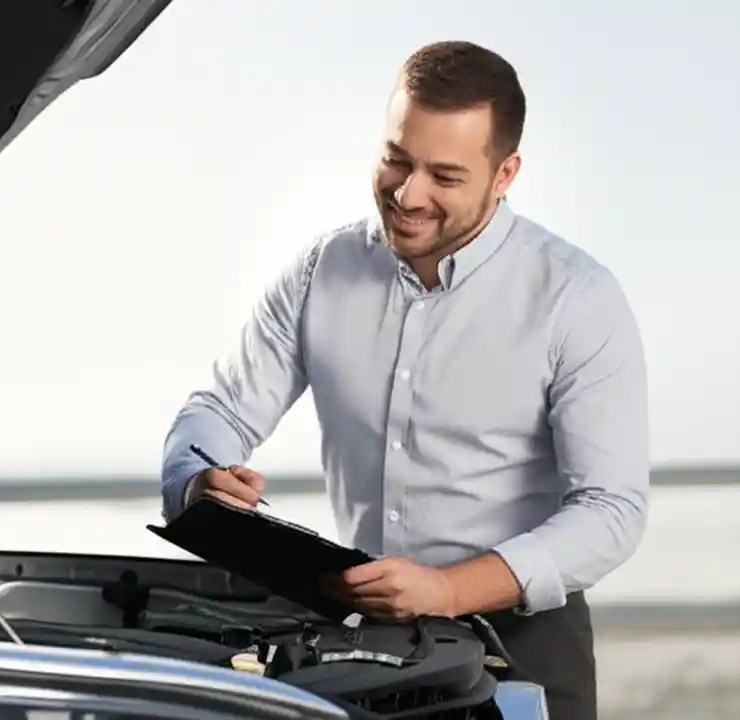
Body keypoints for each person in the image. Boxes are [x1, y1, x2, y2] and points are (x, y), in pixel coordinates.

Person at [158, 40, 648, 720]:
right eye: (397, 159)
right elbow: (220, 411)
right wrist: (196, 481)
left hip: (524, 644)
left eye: (444, 176)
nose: (408, 194)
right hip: (354, 639)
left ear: (504, 174)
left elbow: (611, 511)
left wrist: (448, 590)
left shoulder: (577, 298)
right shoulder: (321, 271)